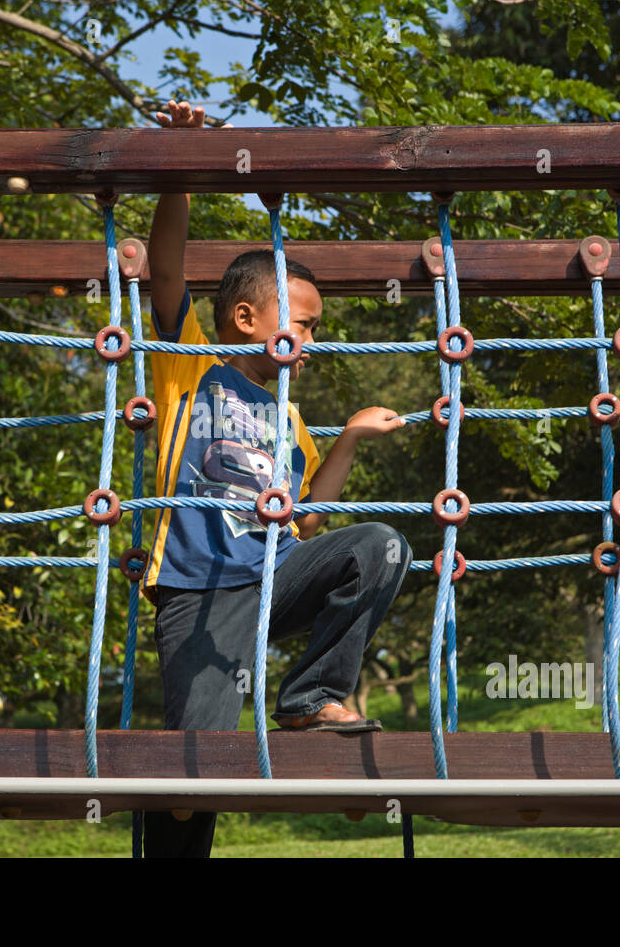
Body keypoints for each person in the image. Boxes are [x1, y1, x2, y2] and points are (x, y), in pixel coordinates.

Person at [139, 101, 414, 857]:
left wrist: (350, 442)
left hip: (272, 577)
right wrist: (181, 164)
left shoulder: (290, 418)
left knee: (382, 547)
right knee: (199, 772)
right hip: (200, 596)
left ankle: (309, 695)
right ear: (245, 317)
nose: (317, 337)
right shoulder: (188, 364)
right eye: (308, 320)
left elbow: (307, 525)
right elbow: (166, 269)